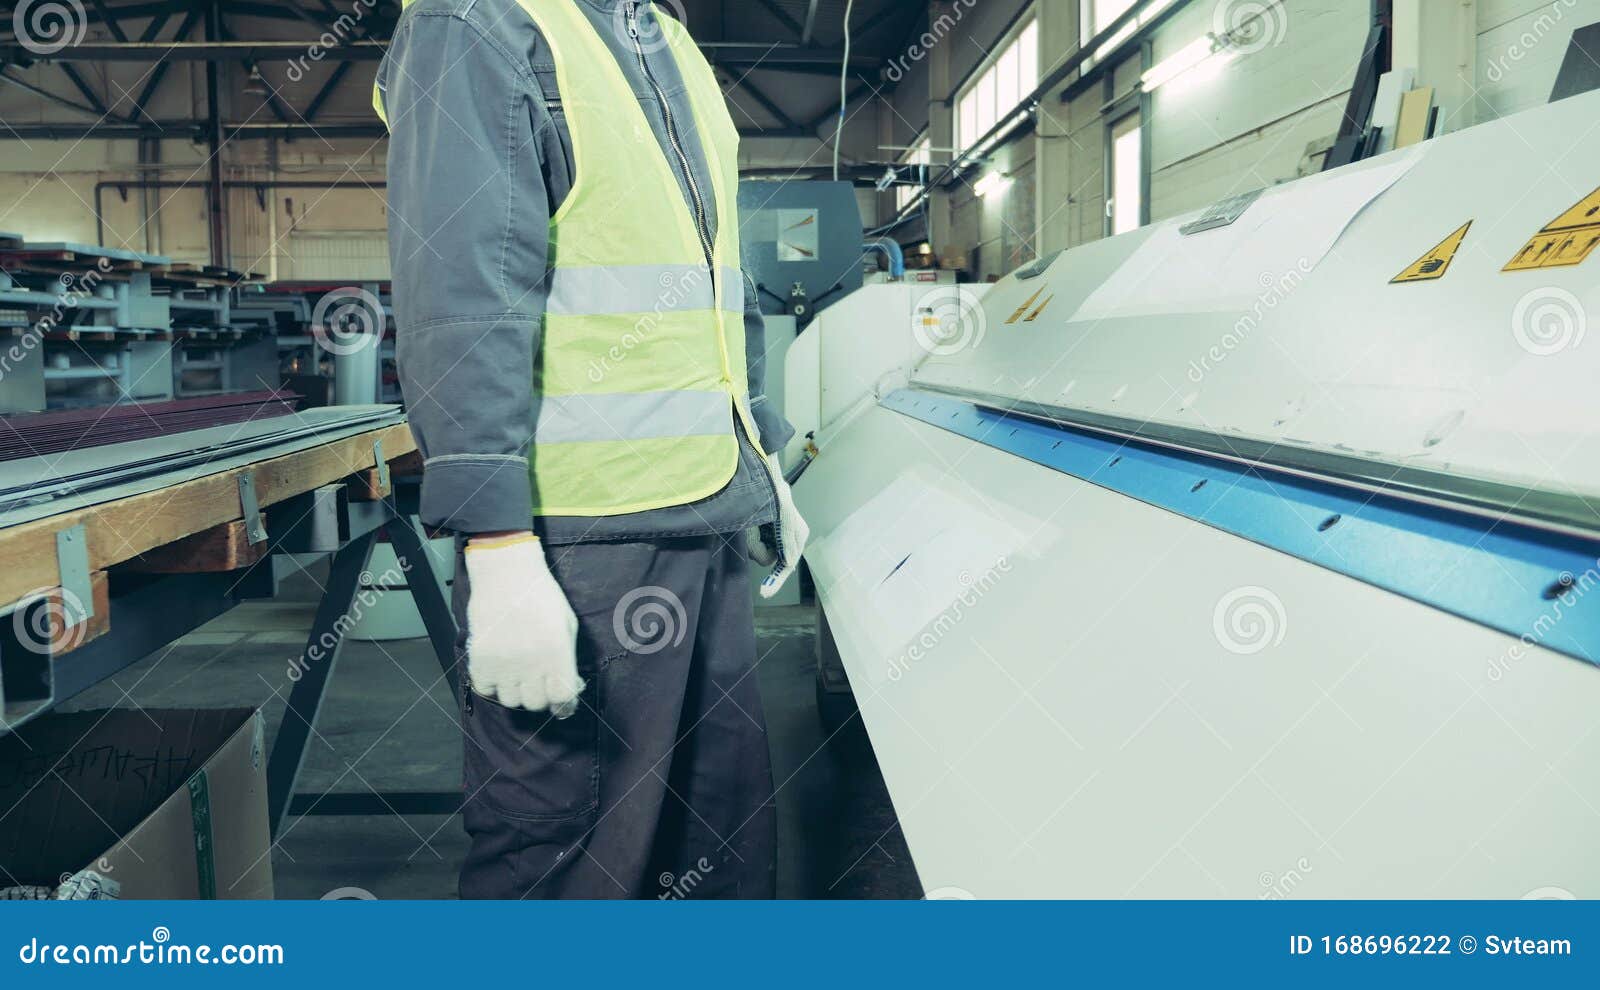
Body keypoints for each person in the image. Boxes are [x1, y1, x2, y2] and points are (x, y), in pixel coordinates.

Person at [374, 0, 807, 900]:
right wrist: (497, 551)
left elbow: (718, 280)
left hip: (704, 507)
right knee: (569, 862)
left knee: (713, 844)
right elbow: (463, 297)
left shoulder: (662, 35)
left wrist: (763, 462)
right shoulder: (476, 24)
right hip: (581, 538)